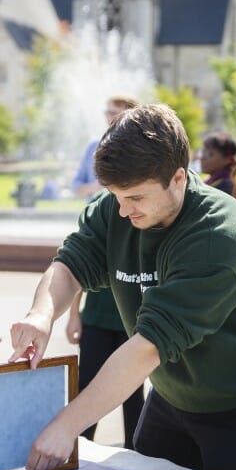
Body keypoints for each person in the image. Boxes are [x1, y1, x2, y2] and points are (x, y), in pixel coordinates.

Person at [8, 104, 236, 470]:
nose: (122, 209)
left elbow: (148, 347)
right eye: (114, 194)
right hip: (171, 396)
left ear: (178, 178)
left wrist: (66, 427)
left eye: (135, 197)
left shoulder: (218, 236)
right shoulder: (116, 207)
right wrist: (41, 314)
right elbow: (70, 265)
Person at [66, 95, 143, 448]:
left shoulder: (145, 156)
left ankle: (138, 452)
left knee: (132, 390)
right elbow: (80, 257)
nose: (110, 121)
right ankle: (78, 449)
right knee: (87, 384)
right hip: (98, 304)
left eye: (118, 115)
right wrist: (73, 314)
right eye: (107, 114)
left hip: (132, 305)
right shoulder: (94, 151)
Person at [71, 95, 139, 198]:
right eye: (107, 112)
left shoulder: (139, 148)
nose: (109, 117)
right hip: (96, 209)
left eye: (114, 113)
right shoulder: (93, 146)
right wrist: (95, 188)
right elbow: (75, 186)